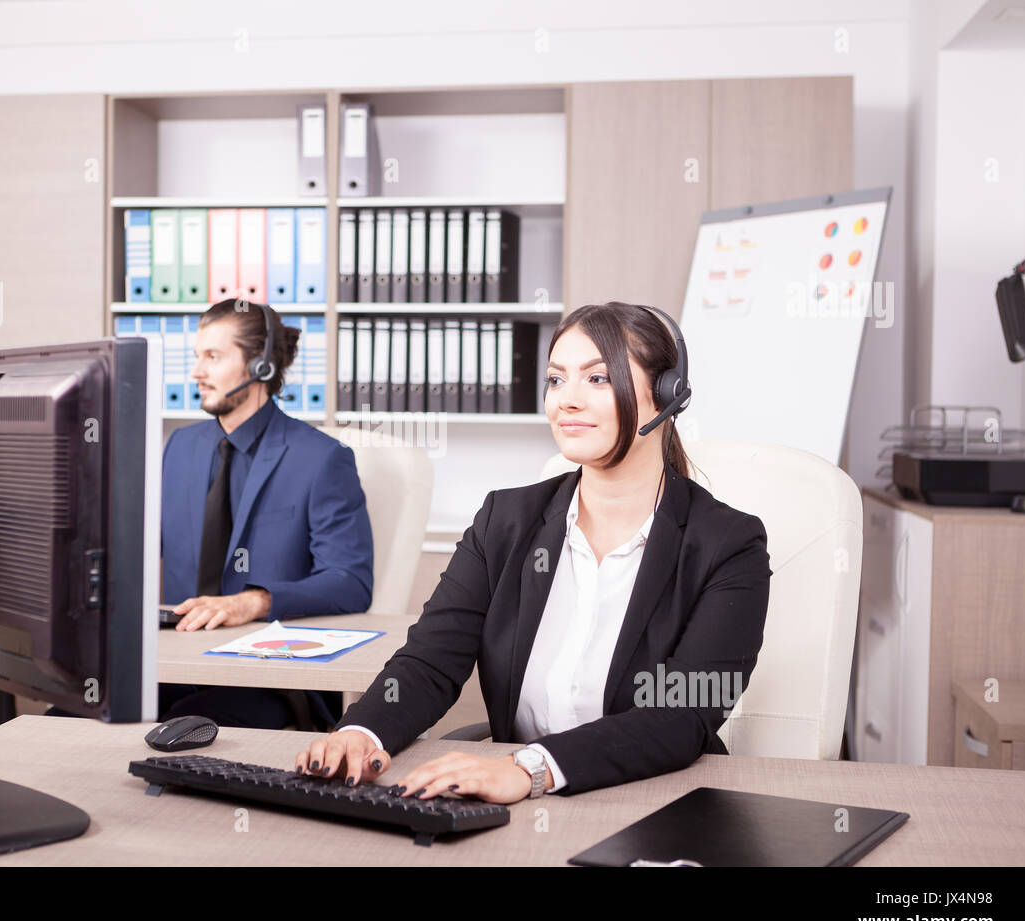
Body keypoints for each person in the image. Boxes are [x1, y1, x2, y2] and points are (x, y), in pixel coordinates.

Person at [295, 301, 772, 802]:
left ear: (667, 395)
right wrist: (361, 733)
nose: (567, 400)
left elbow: (682, 715)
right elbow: (431, 660)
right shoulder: (505, 521)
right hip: (518, 810)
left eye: (597, 379)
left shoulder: (727, 545)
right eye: (556, 379)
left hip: (657, 803)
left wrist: (530, 769)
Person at [159, 298, 374, 728]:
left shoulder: (322, 459)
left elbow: (350, 583)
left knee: (179, 726)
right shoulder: (179, 447)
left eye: (213, 357)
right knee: (69, 718)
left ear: (260, 367)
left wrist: (255, 601)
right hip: (177, 665)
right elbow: (140, 551)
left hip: (272, 679)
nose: (196, 373)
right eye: (196, 357)